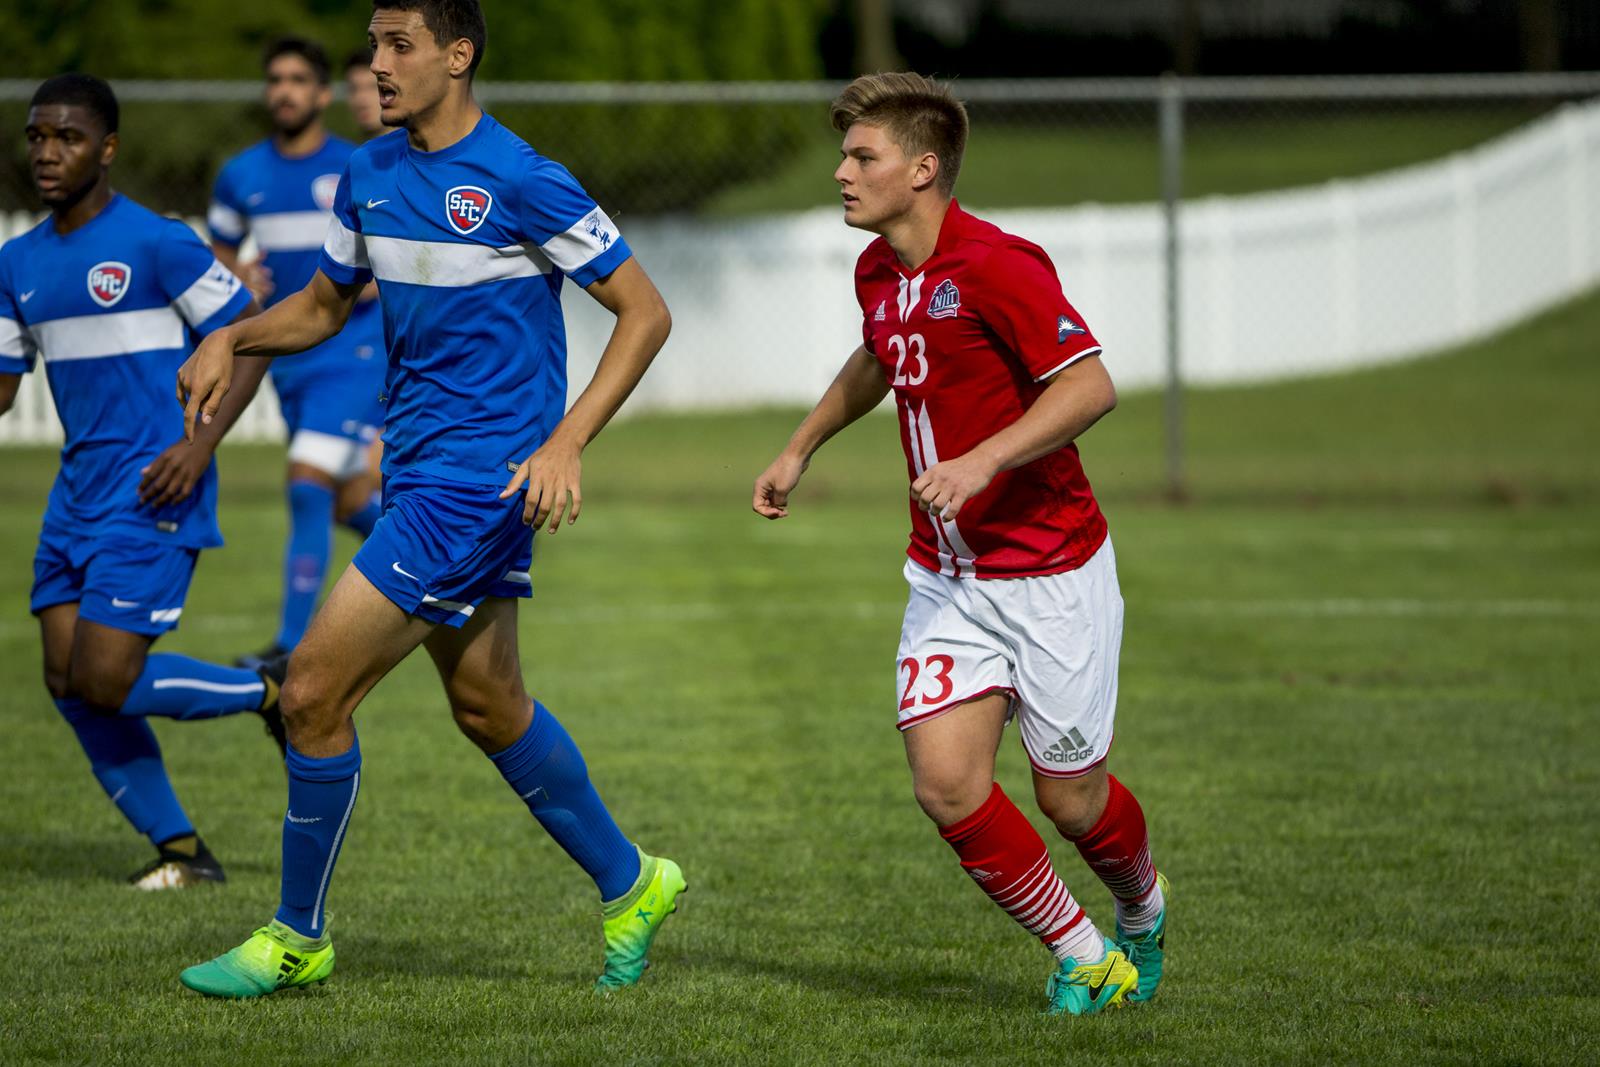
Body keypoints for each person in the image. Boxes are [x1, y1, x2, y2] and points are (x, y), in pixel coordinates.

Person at [174, 0, 681, 998]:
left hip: (479, 486)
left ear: (459, 55)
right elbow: (325, 304)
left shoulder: (522, 178)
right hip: (416, 470)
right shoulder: (367, 172)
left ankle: (296, 934)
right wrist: (231, 335)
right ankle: (634, 881)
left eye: (397, 45)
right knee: (488, 704)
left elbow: (645, 312)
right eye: (371, 46)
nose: (376, 64)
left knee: (312, 688)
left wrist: (565, 439)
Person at [752, 72, 1169, 1016]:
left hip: (1053, 568)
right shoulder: (878, 271)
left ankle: (1142, 901)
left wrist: (982, 460)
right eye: (846, 154)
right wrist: (800, 444)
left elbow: (1089, 386)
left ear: (924, 168)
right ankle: (1084, 952)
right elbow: (879, 356)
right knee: (946, 784)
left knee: (1071, 803)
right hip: (947, 576)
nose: (841, 173)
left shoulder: (1001, 264)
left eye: (864, 156)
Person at [0, 74, 284, 890]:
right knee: (68, 684)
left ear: (109, 149)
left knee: (105, 677)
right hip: (73, 499)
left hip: (156, 488)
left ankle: (269, 693)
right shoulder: (15, 263)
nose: (48, 153)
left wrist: (199, 446)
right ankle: (184, 854)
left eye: (69, 137)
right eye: (36, 136)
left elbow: (251, 342)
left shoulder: (159, 243)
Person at [208, 37, 388, 668]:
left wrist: (361, 287)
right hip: (289, 359)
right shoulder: (240, 175)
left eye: (297, 80)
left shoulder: (358, 166)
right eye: (274, 79)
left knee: (307, 483)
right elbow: (220, 262)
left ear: (321, 94)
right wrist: (237, 280)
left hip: (355, 350)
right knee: (344, 498)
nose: (283, 90)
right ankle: (449, 565)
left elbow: (385, 259)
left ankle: (289, 650)